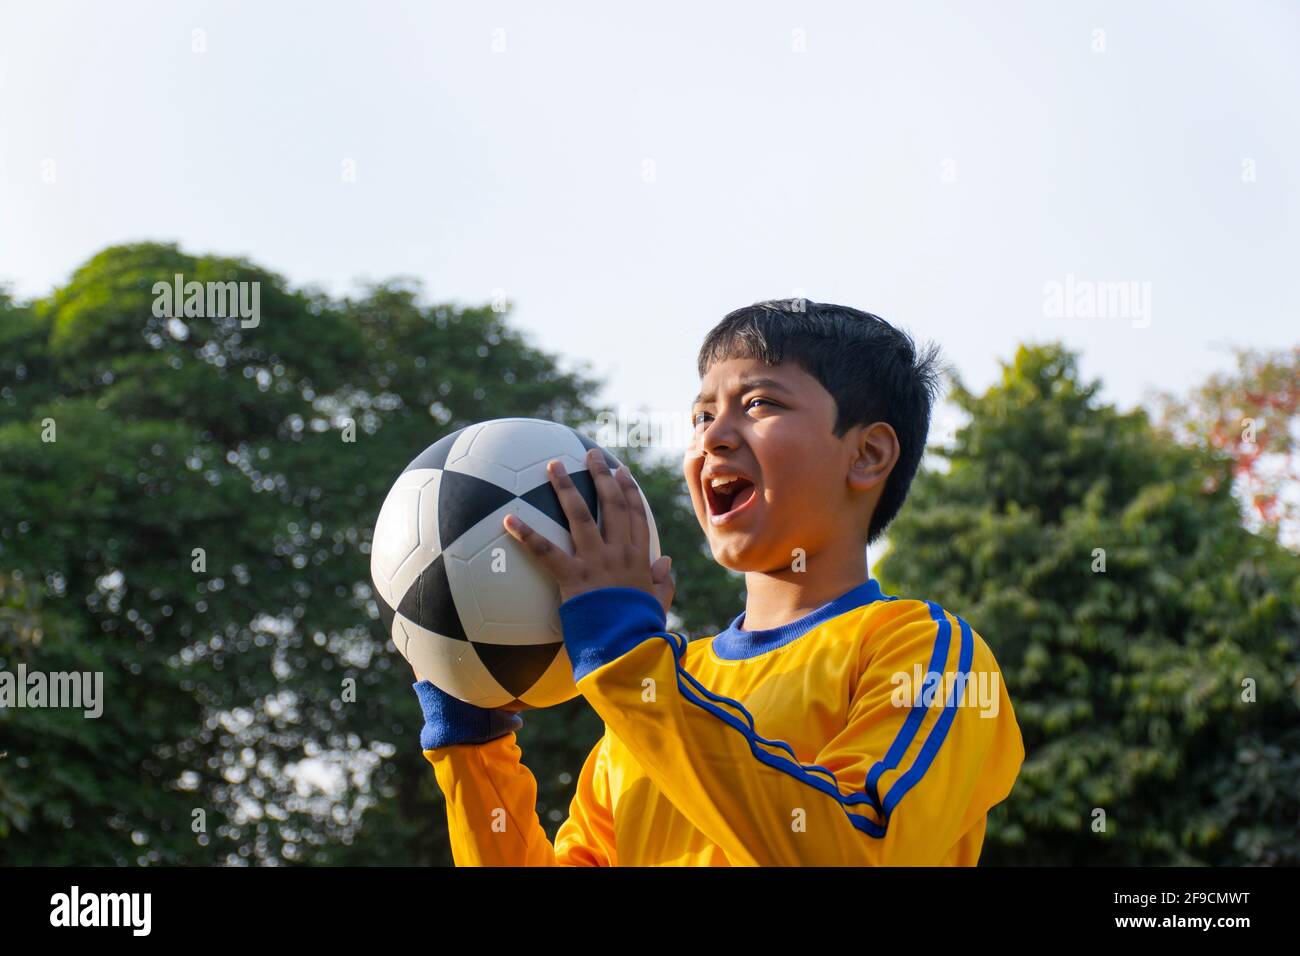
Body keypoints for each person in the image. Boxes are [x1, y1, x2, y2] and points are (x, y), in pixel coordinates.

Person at [412, 299, 1025, 866]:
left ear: (867, 455)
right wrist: (474, 746)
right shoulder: (652, 698)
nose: (712, 435)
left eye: (759, 404)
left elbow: (859, 847)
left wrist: (626, 658)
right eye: (702, 414)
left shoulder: (924, 652)